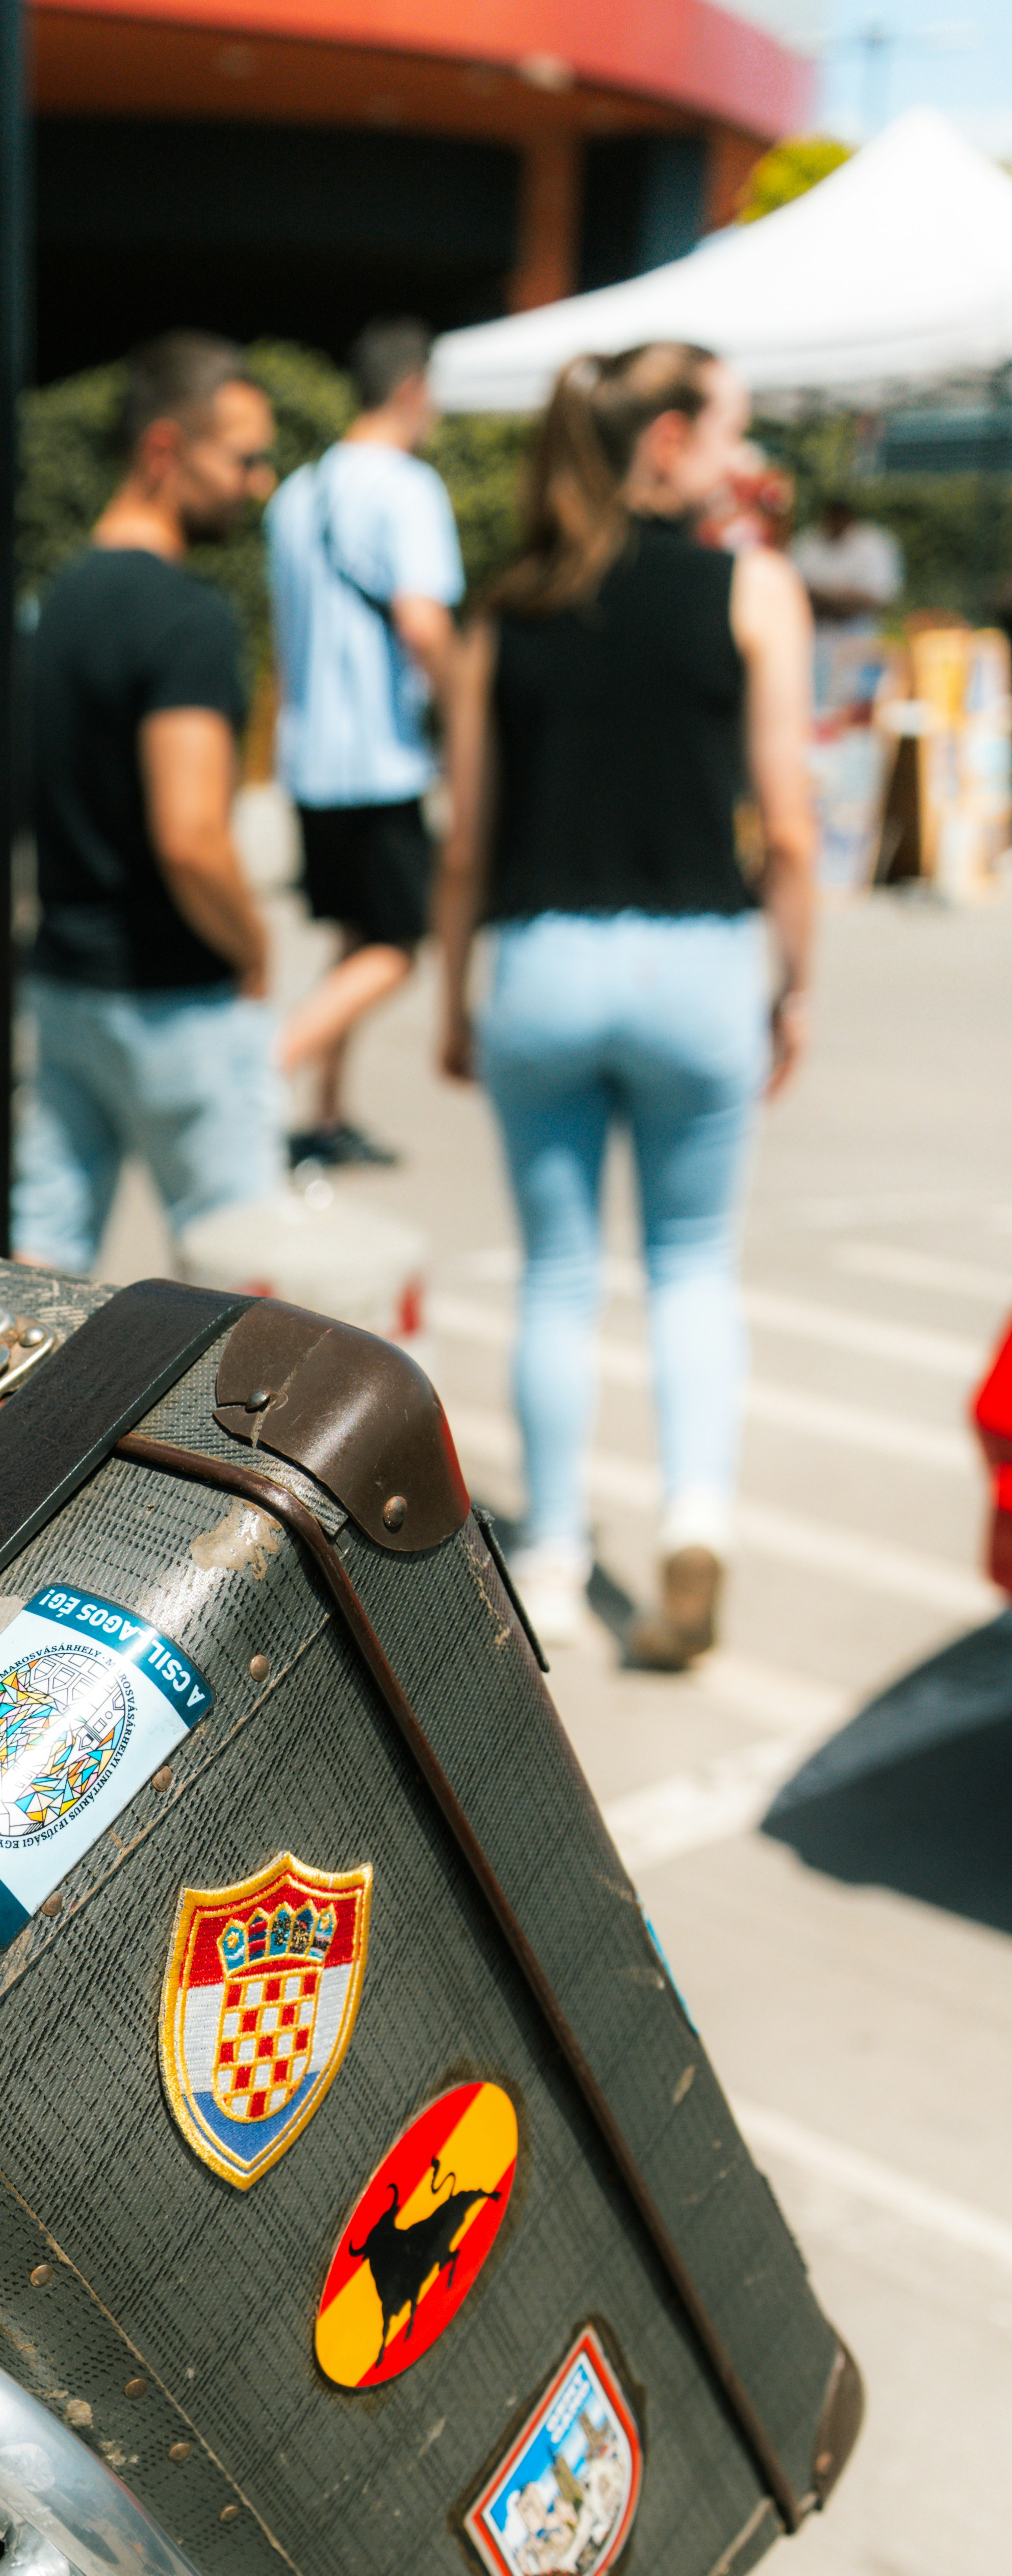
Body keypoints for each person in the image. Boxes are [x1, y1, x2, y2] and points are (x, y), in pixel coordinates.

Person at [436, 342, 815, 1669]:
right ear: (665, 439)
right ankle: (694, 1522)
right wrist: (794, 984)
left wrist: (451, 997)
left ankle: (547, 1555)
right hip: (700, 960)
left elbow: (468, 841)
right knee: (692, 1263)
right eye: (729, 433)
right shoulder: (752, 587)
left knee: (555, 1273)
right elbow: (791, 822)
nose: (741, 461)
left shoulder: (513, 607)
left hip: (542, 961)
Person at [10, 332, 279, 1275]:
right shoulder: (188, 617)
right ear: (164, 450)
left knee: (40, 1269)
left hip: (65, 981)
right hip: (173, 999)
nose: (258, 484)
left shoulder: (59, 600)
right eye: (243, 458)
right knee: (239, 1289)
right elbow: (191, 834)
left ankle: (18, 1428)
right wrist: (253, 944)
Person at [264, 316, 462, 1169]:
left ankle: (327, 1113)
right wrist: (464, 715)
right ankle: (263, 1074)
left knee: (351, 938)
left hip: (311, 755)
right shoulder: (405, 489)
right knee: (393, 947)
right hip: (378, 757)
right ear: (413, 389)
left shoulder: (294, 495)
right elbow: (422, 621)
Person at [792, 497, 903, 629]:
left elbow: (882, 598)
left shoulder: (874, 544)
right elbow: (793, 589)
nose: (836, 523)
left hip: (861, 629)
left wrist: (829, 599)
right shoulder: (807, 541)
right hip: (813, 628)